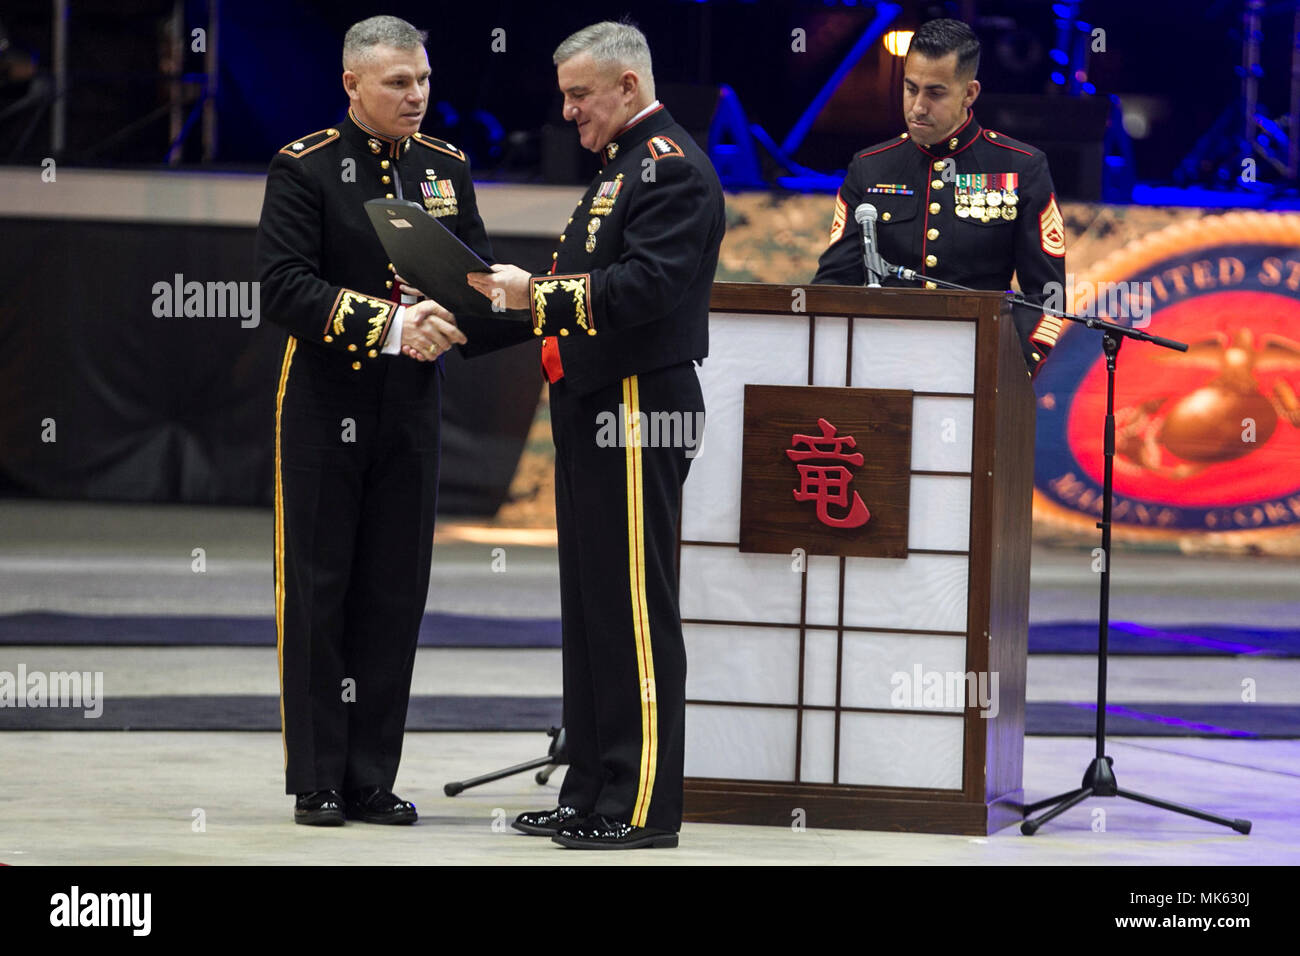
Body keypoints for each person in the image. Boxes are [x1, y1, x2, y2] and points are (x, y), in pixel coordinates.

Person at [468, 20, 725, 849]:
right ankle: (591, 787)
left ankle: (642, 803)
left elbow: (641, 288)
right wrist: (470, 312)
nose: (569, 112)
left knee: (636, 611)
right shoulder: (622, 168)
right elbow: (572, 288)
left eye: (581, 95)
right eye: (565, 96)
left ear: (627, 85)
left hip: (641, 401)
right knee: (593, 609)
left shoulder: (672, 171)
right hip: (595, 398)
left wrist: (528, 299)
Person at [255, 15, 486, 826]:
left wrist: (458, 313)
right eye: (398, 82)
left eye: (423, 78)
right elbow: (281, 286)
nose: (416, 94)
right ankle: (316, 776)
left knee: (395, 589)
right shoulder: (306, 168)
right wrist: (389, 325)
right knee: (319, 588)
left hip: (412, 401)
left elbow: (475, 280)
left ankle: (369, 775)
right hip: (325, 397)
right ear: (352, 84)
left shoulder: (446, 166)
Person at [812, 17, 1066, 376]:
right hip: (880, 368)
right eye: (910, 88)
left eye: (935, 93)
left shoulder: (1020, 168)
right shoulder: (871, 168)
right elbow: (834, 282)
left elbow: (1047, 296)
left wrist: (1009, 368)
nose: (917, 106)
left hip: (979, 365)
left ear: (969, 93)